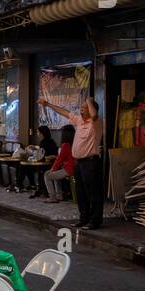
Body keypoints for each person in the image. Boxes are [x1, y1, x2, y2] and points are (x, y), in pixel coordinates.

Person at [39, 96, 103, 226]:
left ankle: (95, 221)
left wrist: (89, 101)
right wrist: (47, 104)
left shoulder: (96, 122)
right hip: (78, 163)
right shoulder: (79, 121)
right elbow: (64, 112)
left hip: (90, 162)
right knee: (81, 193)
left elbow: (95, 115)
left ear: (91, 109)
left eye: (84, 109)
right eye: (81, 108)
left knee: (93, 193)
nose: (81, 111)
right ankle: (83, 218)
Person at [43, 123, 76, 202]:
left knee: (47, 176)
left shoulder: (65, 145)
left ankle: (52, 197)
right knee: (55, 174)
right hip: (75, 168)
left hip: (69, 169)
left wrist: (51, 169)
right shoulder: (75, 143)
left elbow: (59, 160)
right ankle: (59, 195)